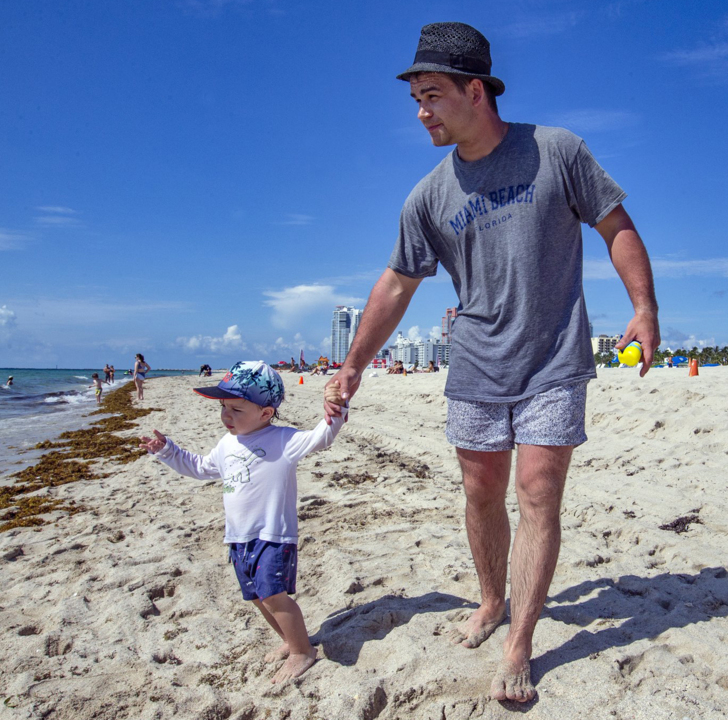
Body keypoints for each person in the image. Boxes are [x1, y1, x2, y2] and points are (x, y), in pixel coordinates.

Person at [323, 22, 659, 703]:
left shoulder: (557, 152)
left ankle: (520, 641)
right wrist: (354, 362)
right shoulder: (429, 196)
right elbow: (395, 284)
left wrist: (645, 308)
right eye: (416, 97)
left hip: (553, 358)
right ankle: (489, 598)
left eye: (432, 95)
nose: (421, 111)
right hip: (476, 365)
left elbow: (616, 225)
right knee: (481, 494)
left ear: (475, 91)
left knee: (537, 493)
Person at [139, 361, 348, 684]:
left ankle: (302, 651)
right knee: (255, 596)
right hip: (237, 537)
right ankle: (291, 640)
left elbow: (323, 436)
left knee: (274, 595)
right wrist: (167, 451)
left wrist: (338, 407)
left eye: (236, 409)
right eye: (223, 407)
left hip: (273, 535)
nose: (226, 416)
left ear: (265, 413)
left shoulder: (283, 440)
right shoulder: (226, 445)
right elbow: (199, 467)